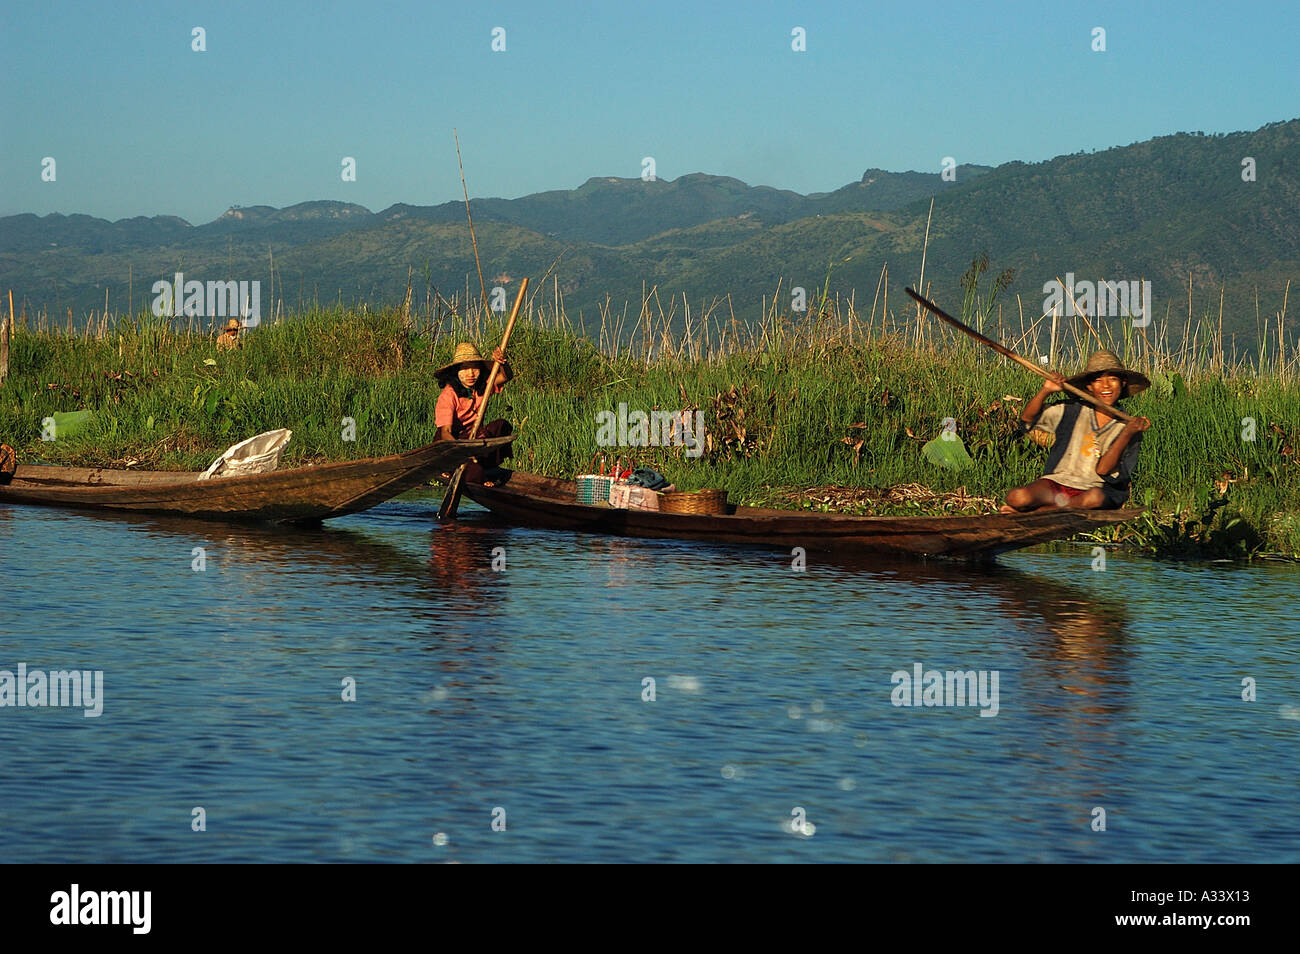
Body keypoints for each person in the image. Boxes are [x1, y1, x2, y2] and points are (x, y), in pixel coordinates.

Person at [1001, 350, 1151, 512]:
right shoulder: (1071, 410)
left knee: (1093, 498)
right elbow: (1028, 419)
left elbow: (1103, 470)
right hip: (1059, 483)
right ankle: (1053, 508)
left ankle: (1044, 512)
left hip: (1097, 488)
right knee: (1016, 497)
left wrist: (1127, 433)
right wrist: (1046, 390)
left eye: (1113, 379)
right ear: (1090, 386)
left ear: (1122, 384)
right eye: (1099, 381)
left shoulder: (1128, 425)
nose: (1106, 386)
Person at [434, 342, 514, 485]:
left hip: (475, 437)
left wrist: (502, 362)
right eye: (465, 368)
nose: (470, 374)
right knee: (474, 473)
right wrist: (462, 452)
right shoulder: (449, 395)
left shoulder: (483, 385)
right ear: (457, 372)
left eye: (474, 368)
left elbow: (506, 376)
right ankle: (450, 466)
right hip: (452, 441)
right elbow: (446, 432)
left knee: (502, 425)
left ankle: (486, 464)